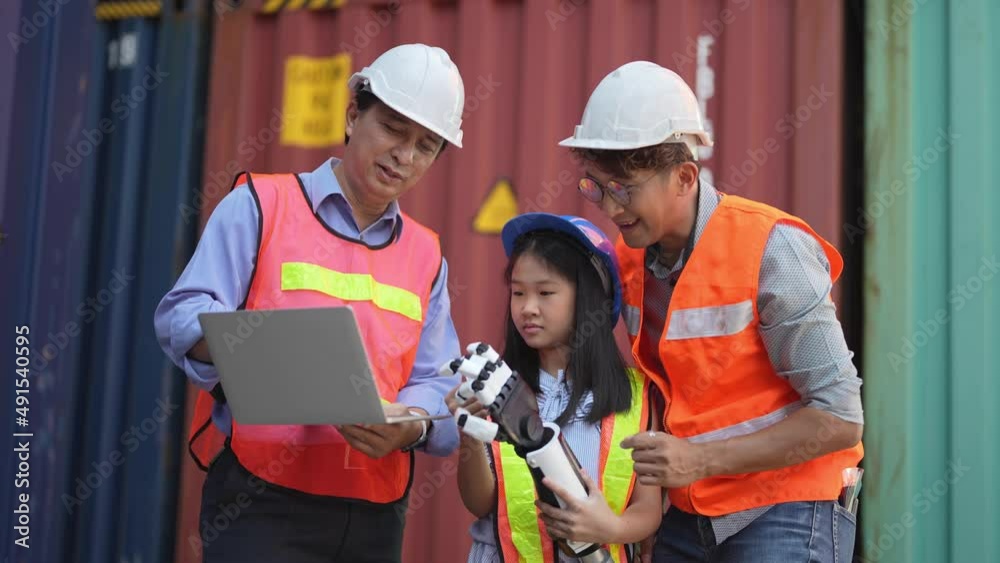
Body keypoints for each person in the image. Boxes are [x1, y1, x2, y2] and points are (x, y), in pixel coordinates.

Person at [154, 43, 466, 563]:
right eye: (392, 128)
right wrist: (254, 349)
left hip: (375, 513)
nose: (405, 155)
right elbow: (180, 317)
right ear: (351, 114)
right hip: (261, 504)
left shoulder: (426, 255)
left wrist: (411, 425)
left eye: (426, 145)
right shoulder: (261, 206)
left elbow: (439, 382)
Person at [559, 61, 865, 562]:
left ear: (683, 177)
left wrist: (698, 459)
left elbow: (840, 419)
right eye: (597, 187)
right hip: (690, 513)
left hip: (787, 507)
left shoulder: (771, 249)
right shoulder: (628, 259)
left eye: (625, 190)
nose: (611, 209)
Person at [447, 212, 663, 563]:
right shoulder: (494, 384)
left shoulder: (638, 396)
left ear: (591, 298)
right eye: (518, 292)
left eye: (545, 292)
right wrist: (469, 434)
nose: (527, 308)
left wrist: (609, 529)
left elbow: (647, 508)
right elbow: (480, 503)